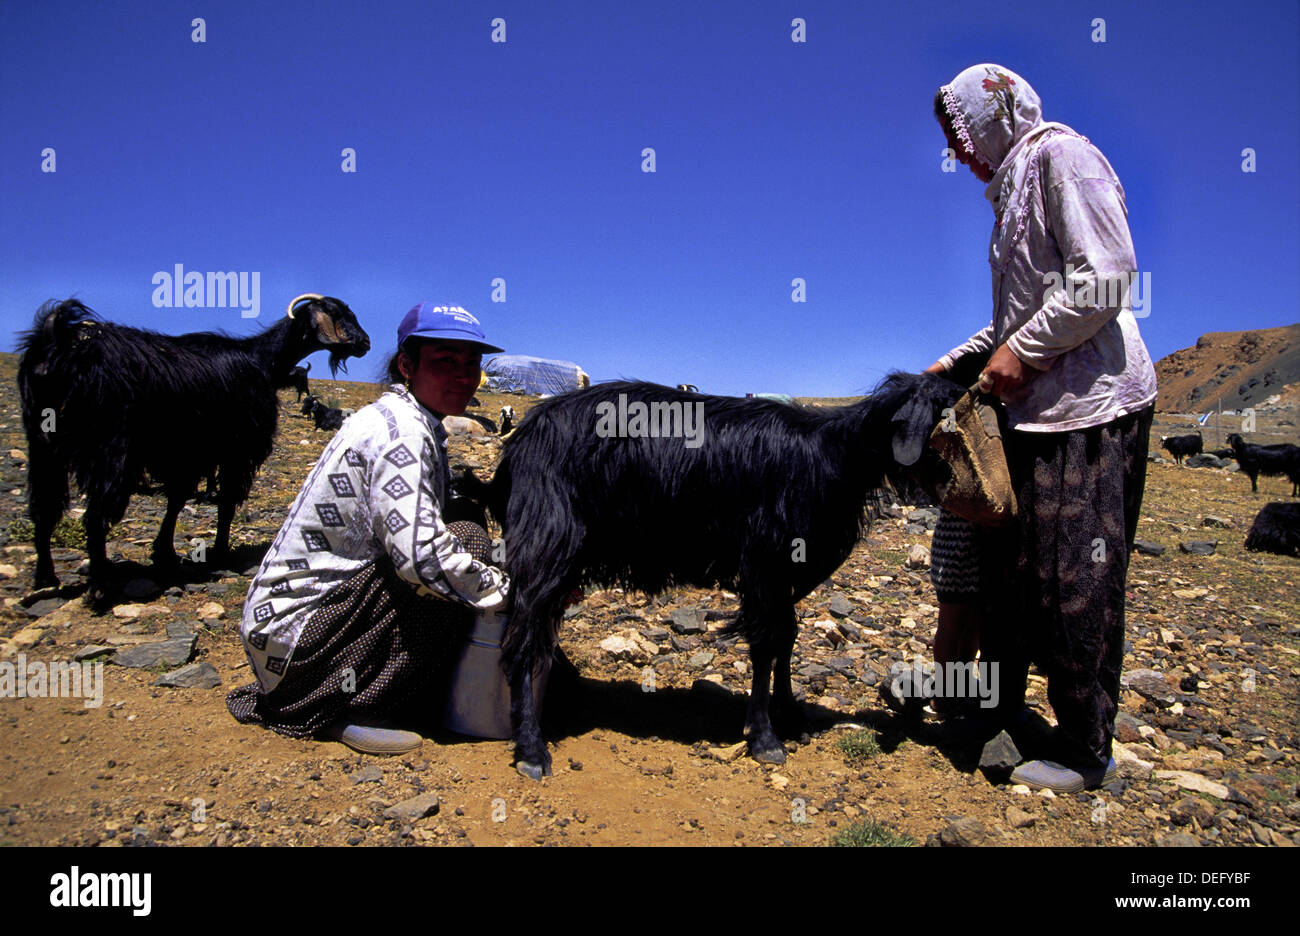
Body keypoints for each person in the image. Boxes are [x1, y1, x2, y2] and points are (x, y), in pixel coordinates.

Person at [927, 64, 1157, 792]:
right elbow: (1014, 316)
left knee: (1073, 579)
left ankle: (1089, 752)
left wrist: (1021, 355)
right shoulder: (1013, 191)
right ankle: (1006, 715)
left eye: (962, 137)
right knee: (1013, 574)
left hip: (1092, 407)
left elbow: (1109, 274)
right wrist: (964, 358)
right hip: (1039, 415)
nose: (960, 155)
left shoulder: (1063, 158)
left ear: (994, 115)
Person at [227, 302, 509, 755]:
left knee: (464, 521)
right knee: (467, 543)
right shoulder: (401, 433)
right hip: (299, 647)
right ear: (406, 365)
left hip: (282, 634)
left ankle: (382, 682)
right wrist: (514, 591)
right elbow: (421, 557)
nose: (464, 375)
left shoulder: (406, 419)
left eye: (471, 362)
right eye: (445, 361)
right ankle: (343, 705)